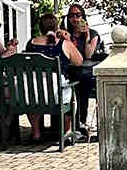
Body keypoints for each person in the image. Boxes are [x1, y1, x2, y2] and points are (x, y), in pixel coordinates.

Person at [25, 13, 84, 143]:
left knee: (34, 94)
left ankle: (36, 133)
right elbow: (79, 61)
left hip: (33, 92)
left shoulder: (31, 43)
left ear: (40, 27)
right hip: (56, 93)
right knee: (71, 93)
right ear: (57, 27)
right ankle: (66, 132)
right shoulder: (64, 44)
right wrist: (68, 39)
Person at [63, 3, 102, 133]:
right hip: (69, 71)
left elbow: (89, 55)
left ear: (83, 17)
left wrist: (86, 39)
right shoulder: (66, 34)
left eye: (78, 15)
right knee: (79, 82)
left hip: (85, 72)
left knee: (83, 83)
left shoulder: (92, 34)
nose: (75, 19)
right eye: (72, 16)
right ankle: (74, 122)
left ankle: (81, 120)